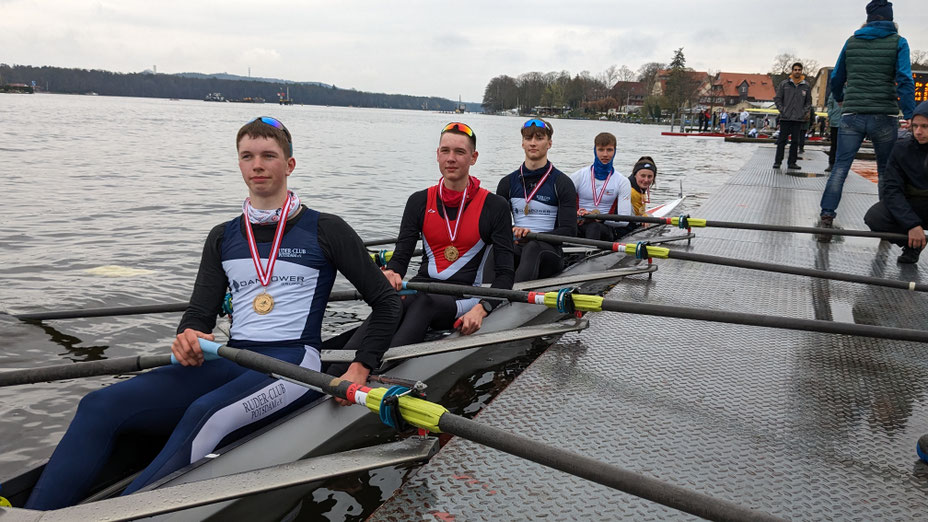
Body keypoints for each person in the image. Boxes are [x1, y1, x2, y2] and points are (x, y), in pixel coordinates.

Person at [24, 117, 402, 510]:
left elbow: (386, 302)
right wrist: (188, 336)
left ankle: (115, 515)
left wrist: (360, 368)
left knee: (206, 414)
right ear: (239, 164)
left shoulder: (326, 229)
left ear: (289, 165)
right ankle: (31, 515)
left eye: (268, 156)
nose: (257, 165)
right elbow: (198, 315)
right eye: (247, 156)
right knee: (98, 405)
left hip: (293, 363)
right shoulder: (223, 236)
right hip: (233, 357)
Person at [343, 122, 514, 350]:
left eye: (459, 152)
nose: (451, 158)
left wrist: (483, 308)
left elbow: (505, 275)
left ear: (473, 158)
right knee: (392, 301)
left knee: (423, 301)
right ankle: (340, 363)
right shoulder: (419, 201)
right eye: (445, 151)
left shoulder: (495, 207)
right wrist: (391, 272)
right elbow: (401, 258)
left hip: (465, 296)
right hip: (422, 289)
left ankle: (377, 364)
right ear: (437, 155)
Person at [819, 0, 916, 227]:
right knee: (885, 170)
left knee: (840, 167)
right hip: (884, 115)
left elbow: (836, 77)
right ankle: (888, 216)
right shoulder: (899, 42)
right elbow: (904, 79)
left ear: (868, 19)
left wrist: (840, 98)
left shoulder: (851, 42)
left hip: (852, 114)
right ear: (891, 19)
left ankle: (827, 214)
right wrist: (910, 113)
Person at [497, 118, 578, 282]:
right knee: (497, 248)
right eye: (528, 138)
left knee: (533, 247)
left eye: (539, 138)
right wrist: (513, 230)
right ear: (523, 143)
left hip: (549, 251)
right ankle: (482, 294)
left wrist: (533, 236)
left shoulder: (562, 183)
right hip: (518, 246)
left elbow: (569, 231)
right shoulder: (507, 183)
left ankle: (511, 295)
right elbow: (497, 227)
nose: (533, 143)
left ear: (549, 144)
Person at [863, 101, 928, 263]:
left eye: (925, 126)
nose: (918, 132)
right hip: (913, 203)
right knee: (875, 217)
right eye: (915, 126)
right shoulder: (901, 149)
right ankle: (913, 245)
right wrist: (911, 225)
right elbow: (892, 190)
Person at [569, 132, 632, 240]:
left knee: (594, 227)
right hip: (579, 224)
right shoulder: (578, 176)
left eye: (609, 150)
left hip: (604, 228)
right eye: (601, 150)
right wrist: (576, 215)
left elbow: (624, 221)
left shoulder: (622, 182)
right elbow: (562, 207)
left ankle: (587, 250)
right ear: (595, 150)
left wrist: (600, 219)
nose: (605, 154)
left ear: (615, 151)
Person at [773, 62, 812, 170]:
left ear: (802, 71)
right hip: (785, 117)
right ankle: (777, 162)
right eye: (795, 69)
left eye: (799, 70)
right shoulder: (784, 84)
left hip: (798, 119)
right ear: (792, 71)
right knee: (782, 141)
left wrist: (803, 112)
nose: (797, 71)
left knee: (795, 141)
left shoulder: (806, 86)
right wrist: (782, 110)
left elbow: (808, 102)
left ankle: (792, 163)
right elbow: (777, 98)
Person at [825, 92, 843, 172]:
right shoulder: (835, 91)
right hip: (835, 121)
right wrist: (830, 114)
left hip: (846, 122)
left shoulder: (850, 90)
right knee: (834, 144)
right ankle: (831, 164)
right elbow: (830, 103)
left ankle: (841, 165)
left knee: (845, 146)